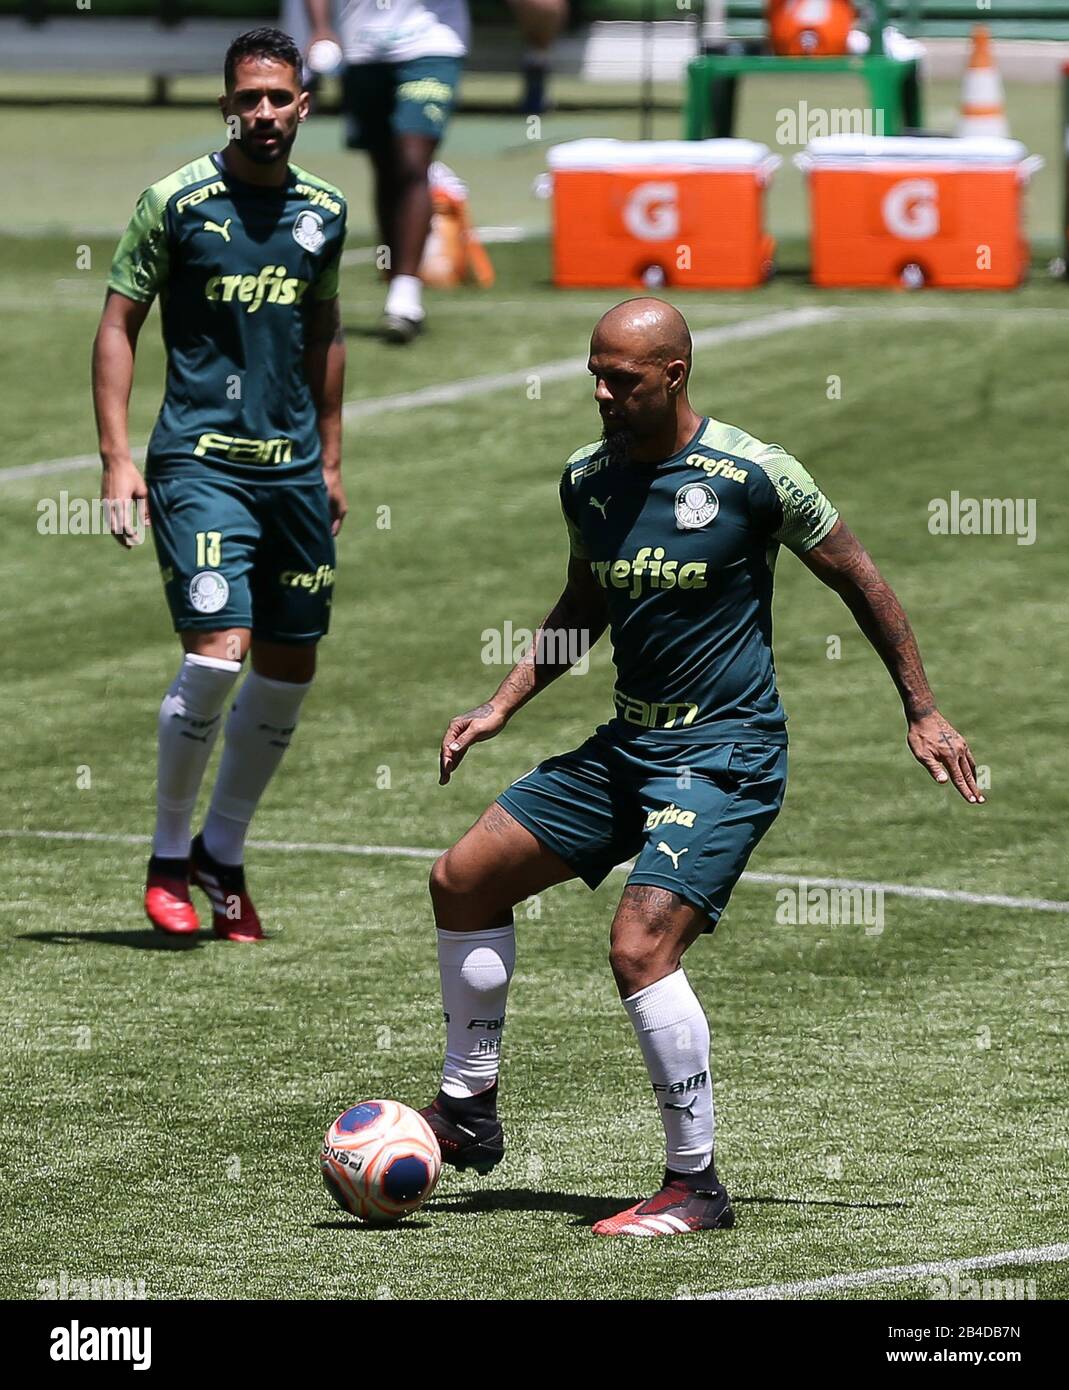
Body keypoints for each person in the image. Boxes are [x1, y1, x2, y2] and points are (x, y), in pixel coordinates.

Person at [419, 298, 983, 1236]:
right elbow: (583, 598)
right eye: (593, 374)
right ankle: (469, 1110)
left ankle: (695, 1185)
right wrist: (501, 703)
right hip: (627, 745)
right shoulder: (588, 479)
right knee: (464, 878)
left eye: (621, 379)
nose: (600, 392)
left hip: (725, 753)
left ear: (674, 374)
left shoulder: (754, 475)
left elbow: (861, 578)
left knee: (639, 947)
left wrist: (921, 709)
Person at [92, 27, 348, 942]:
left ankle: (222, 853)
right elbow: (120, 322)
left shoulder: (325, 209)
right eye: (248, 98)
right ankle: (167, 855)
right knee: (218, 652)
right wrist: (118, 457)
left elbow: (324, 334)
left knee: (289, 665)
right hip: (198, 463)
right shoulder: (174, 202)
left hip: (292, 475)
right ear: (226, 104)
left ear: (303, 105)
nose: (264, 114)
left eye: (279, 97)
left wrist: (330, 458)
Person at [305, 0, 468, 342]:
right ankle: (396, 276)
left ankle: (405, 295)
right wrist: (321, 27)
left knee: (412, 164)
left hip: (431, 46)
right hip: (362, 49)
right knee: (385, 167)